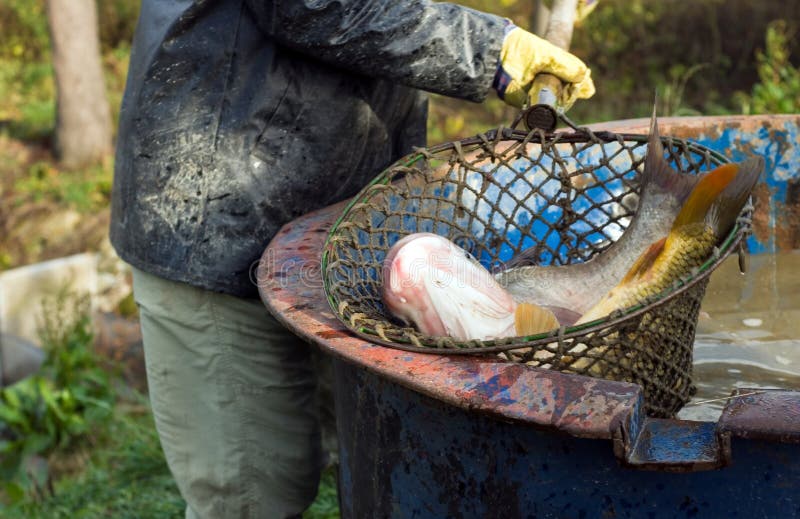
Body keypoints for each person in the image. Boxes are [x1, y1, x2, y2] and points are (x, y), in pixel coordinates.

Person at [110, 1, 594, 517]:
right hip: (216, 223)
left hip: (330, 225)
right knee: (252, 494)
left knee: (362, 461)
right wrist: (492, 50)